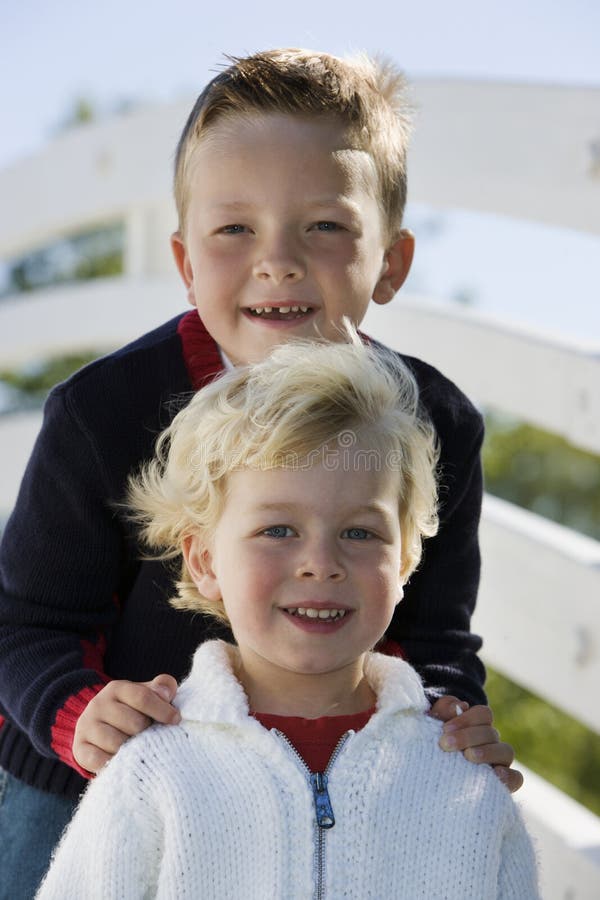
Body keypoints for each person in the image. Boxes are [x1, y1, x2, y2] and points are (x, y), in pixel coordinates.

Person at [1, 49, 519, 897]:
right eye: (234, 229)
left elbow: (434, 634)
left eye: (323, 225)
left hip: (314, 764)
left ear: (390, 259)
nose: (277, 260)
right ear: (185, 261)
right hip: (90, 772)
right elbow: (26, 621)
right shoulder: (104, 413)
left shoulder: (433, 422)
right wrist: (77, 711)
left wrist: (453, 722)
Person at [36, 333, 539, 899]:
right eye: (278, 530)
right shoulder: (152, 770)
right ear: (205, 560)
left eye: (359, 532)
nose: (321, 564)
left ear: (403, 561)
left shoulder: (461, 776)